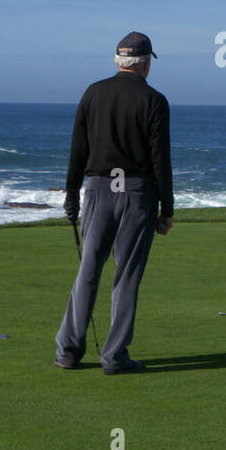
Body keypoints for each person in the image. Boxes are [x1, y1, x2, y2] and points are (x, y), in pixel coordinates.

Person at [55, 31, 174, 374]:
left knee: (88, 270)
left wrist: (70, 196)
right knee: (127, 275)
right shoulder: (155, 101)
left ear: (118, 60)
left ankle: (68, 351)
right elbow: (159, 160)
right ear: (146, 62)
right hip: (136, 194)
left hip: (97, 190)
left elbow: (78, 150)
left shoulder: (93, 93)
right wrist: (167, 209)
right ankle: (115, 356)